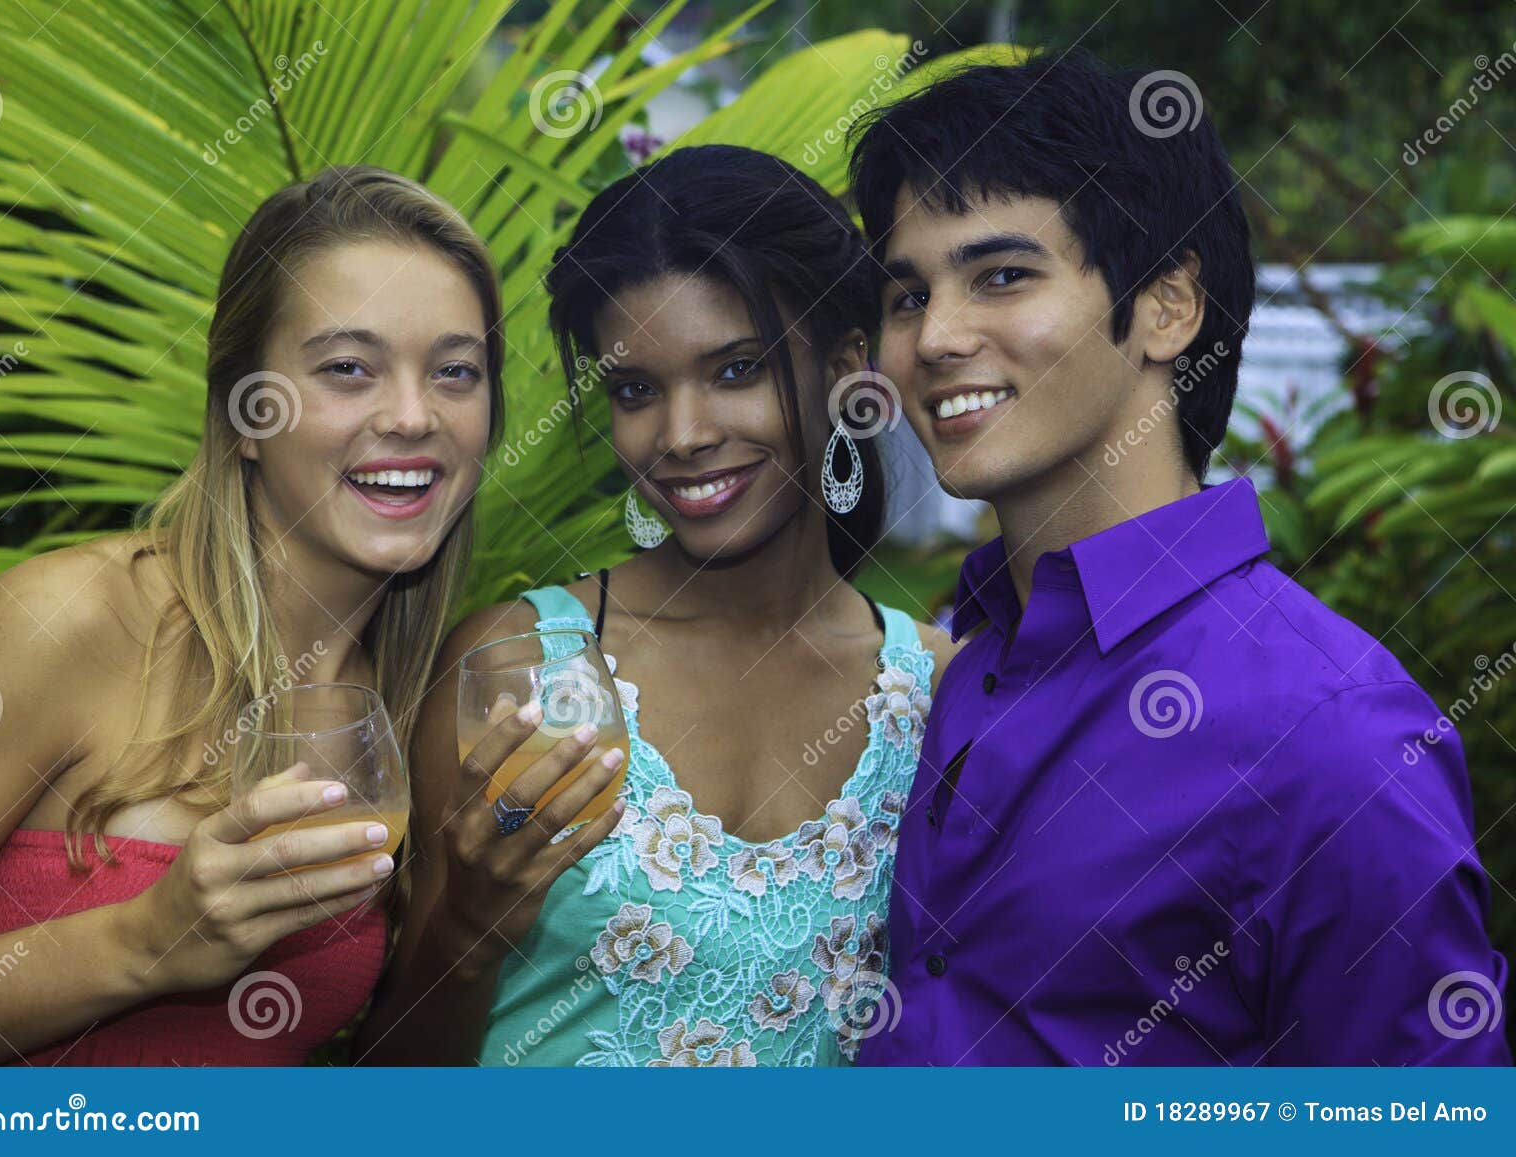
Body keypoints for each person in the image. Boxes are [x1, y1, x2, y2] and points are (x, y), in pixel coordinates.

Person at [844, 49, 1511, 1066]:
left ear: (1168, 306)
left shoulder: (1331, 736)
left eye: (1002, 276)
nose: (933, 336)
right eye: (904, 295)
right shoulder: (962, 656)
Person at [360, 144, 959, 1066]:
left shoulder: (940, 695)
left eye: (736, 370)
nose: (682, 435)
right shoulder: (522, 664)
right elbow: (387, 1089)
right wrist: (467, 926)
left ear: (845, 368)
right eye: (637, 390)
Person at [0, 166, 503, 1064]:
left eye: (456, 371)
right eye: (349, 368)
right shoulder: (69, 622)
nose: (415, 415)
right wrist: (142, 943)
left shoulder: (417, 702)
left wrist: (476, 912)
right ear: (243, 414)